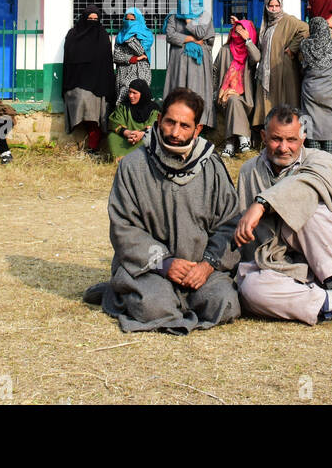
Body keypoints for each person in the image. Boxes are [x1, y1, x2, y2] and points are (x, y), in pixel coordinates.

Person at [85, 88, 242, 334]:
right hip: (150, 268)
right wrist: (164, 262)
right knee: (155, 307)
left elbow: (230, 223)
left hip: (197, 270)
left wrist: (207, 266)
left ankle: (178, 296)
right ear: (159, 121)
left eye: (184, 126)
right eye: (169, 122)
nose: (175, 133)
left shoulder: (212, 166)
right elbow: (123, 226)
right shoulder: (133, 166)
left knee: (224, 303)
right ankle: (122, 291)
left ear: (197, 130)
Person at [233, 105, 332, 330]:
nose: (284, 148)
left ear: (303, 138)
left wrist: (263, 203)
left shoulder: (322, 161)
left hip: (328, 265)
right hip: (280, 266)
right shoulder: (249, 171)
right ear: (264, 137)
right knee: (251, 289)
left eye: (291, 140)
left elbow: (307, 183)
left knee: (311, 207)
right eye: (276, 139)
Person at [252, 0, 309, 131]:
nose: (274, 9)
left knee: (284, 100)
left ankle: (288, 132)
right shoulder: (266, 24)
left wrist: (293, 48)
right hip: (268, 71)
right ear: (266, 7)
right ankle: (270, 132)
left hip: (284, 69)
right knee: (268, 102)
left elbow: (305, 29)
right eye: (271, 6)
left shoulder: (288, 20)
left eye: (277, 6)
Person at [163, 0, 216, 128]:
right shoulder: (174, 16)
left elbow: (200, 33)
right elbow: (170, 35)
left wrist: (187, 20)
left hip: (197, 63)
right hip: (179, 62)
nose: (181, 2)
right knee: (178, 90)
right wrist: (191, 40)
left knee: (197, 90)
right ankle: (176, 121)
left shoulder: (204, 16)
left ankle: (199, 125)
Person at [63, 5, 115, 153]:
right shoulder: (73, 35)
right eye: (89, 19)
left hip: (98, 85)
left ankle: (93, 146)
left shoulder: (102, 35)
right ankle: (89, 143)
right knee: (80, 105)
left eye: (95, 19)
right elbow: (68, 60)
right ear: (83, 19)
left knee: (95, 116)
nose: (92, 22)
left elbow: (106, 63)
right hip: (77, 82)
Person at [297, 12, 332, 156]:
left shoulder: (305, 45)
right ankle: (330, 159)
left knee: (311, 122)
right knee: (330, 124)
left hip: (311, 90)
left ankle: (314, 158)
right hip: (330, 91)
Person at [213, 15, 259, 158]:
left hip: (245, 98)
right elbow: (215, 71)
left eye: (242, 31)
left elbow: (257, 58)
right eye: (237, 31)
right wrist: (216, 92)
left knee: (235, 99)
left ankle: (230, 143)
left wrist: (248, 40)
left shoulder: (248, 51)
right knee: (232, 99)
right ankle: (243, 139)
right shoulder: (225, 50)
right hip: (224, 97)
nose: (238, 34)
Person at [106, 80, 161, 161]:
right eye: (129, 92)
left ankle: (140, 158)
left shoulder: (154, 108)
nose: (131, 96)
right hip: (126, 139)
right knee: (112, 137)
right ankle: (121, 157)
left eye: (134, 93)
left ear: (143, 94)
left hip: (143, 139)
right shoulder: (123, 107)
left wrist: (141, 134)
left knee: (152, 139)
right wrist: (128, 133)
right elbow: (114, 122)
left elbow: (155, 125)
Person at [112, 7, 154, 103]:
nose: (129, 22)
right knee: (122, 101)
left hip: (141, 72)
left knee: (140, 99)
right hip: (123, 73)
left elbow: (140, 50)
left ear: (138, 20)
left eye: (132, 20)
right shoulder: (120, 35)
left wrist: (130, 37)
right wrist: (133, 58)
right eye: (127, 20)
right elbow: (116, 56)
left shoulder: (146, 35)